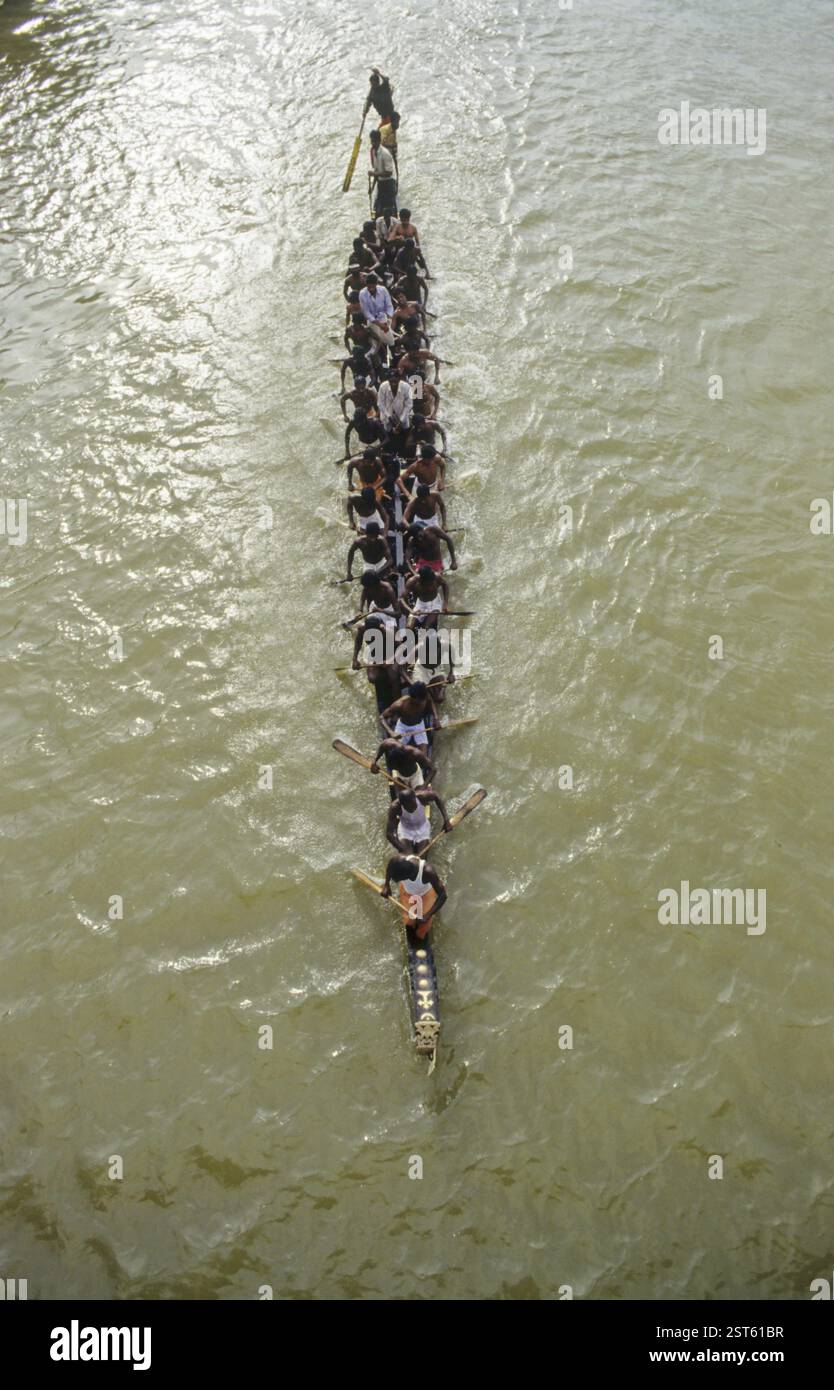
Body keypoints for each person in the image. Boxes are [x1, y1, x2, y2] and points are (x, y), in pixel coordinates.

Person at [380, 855, 447, 939]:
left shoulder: (428, 872)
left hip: (425, 893)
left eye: (400, 879)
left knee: (423, 927)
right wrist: (387, 885)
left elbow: (443, 895)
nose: (397, 881)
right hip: (408, 893)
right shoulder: (397, 860)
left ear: (409, 875)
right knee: (409, 922)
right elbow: (390, 866)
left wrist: (427, 915)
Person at [386, 786, 450, 855]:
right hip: (405, 830)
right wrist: (401, 848)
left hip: (423, 828)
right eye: (409, 807)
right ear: (402, 805)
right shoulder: (395, 808)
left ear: (415, 798)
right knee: (406, 857)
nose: (412, 808)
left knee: (422, 855)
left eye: (414, 805)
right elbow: (389, 834)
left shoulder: (422, 797)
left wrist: (446, 820)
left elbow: (436, 796)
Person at [380, 681, 435, 746]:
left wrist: (436, 718)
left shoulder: (425, 697)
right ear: (412, 698)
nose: (421, 703)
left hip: (419, 725)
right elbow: (382, 717)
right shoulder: (400, 704)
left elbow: (431, 701)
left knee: (423, 755)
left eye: (422, 700)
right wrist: (391, 732)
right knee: (397, 749)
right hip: (403, 727)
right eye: (419, 701)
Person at [370, 737, 435, 789]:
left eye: (396, 768)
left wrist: (424, 785)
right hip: (399, 776)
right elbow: (382, 745)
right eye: (394, 768)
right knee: (403, 797)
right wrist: (374, 761)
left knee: (420, 796)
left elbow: (433, 769)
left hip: (415, 775)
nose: (395, 768)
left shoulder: (415, 753)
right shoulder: (388, 743)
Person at [358, 271, 396, 351]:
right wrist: (379, 325)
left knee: (391, 341)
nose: (371, 288)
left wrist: (388, 321)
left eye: (373, 285)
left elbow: (389, 306)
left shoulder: (383, 290)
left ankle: (392, 352)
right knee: (377, 341)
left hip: (384, 318)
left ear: (376, 284)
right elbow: (367, 313)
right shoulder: (362, 294)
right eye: (369, 286)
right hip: (373, 321)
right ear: (366, 284)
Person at [369, 128, 397, 216]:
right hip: (381, 183)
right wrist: (372, 188)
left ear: (379, 141)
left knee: (389, 208)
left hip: (389, 183)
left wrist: (374, 174)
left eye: (374, 141)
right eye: (371, 141)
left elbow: (389, 172)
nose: (372, 143)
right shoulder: (374, 152)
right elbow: (376, 172)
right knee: (376, 207)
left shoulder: (385, 153)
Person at [377, 369, 413, 438]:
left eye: (395, 382)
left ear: (399, 379)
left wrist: (401, 420)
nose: (393, 384)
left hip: (402, 414)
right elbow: (380, 404)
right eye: (391, 382)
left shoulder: (406, 387)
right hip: (387, 414)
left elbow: (409, 405)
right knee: (388, 433)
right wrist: (389, 417)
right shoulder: (382, 387)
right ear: (388, 380)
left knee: (405, 431)